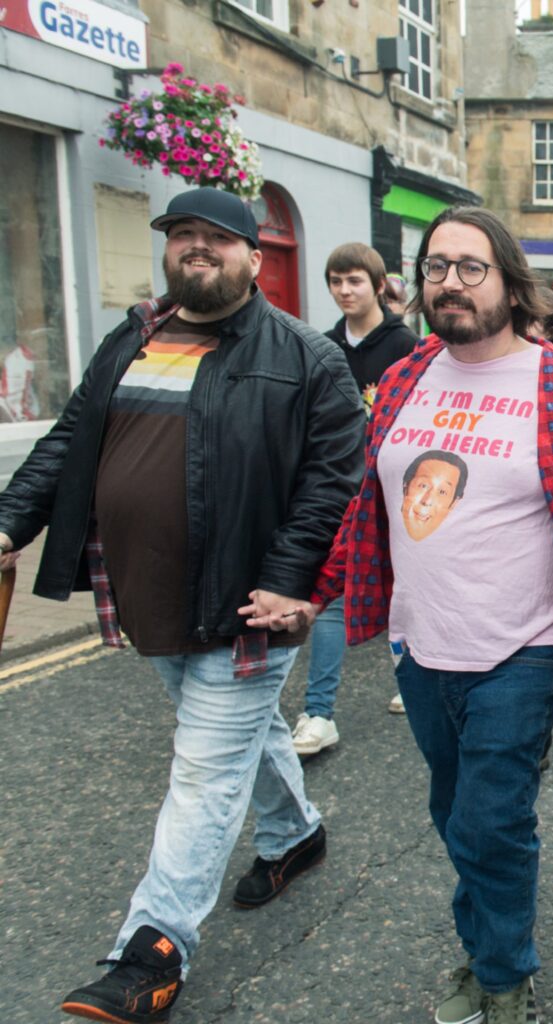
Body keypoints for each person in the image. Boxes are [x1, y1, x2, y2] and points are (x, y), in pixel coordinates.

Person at [0, 187, 364, 1023]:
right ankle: (294, 835)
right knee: (247, 741)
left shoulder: (304, 356)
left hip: (245, 607)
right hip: (146, 595)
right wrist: (10, 522)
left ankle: (150, 951)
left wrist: (292, 578)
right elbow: (71, 439)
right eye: (182, 237)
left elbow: (331, 482)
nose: (196, 250)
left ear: (252, 257)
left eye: (216, 239)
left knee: (202, 771)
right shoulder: (132, 336)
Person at [309, 206, 553, 1024]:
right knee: (452, 813)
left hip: (523, 650)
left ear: (509, 282)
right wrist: (310, 594)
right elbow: (367, 509)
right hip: (422, 646)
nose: (449, 281)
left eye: (470, 267)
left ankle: (502, 972)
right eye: (435, 266)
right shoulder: (408, 377)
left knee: (490, 821)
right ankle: (487, 944)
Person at [291, 242, 421, 753]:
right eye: (336, 282)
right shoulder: (321, 347)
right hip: (334, 488)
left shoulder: (406, 345)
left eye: (355, 281)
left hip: (392, 485)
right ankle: (319, 713)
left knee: (404, 584)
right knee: (331, 599)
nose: (345, 291)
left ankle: (413, 676)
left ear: (377, 285)